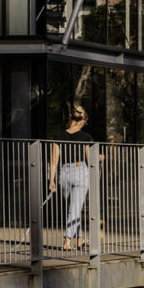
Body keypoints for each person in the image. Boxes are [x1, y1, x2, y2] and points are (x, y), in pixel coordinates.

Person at [48, 105, 91, 251]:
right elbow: (89, 159)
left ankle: (79, 240)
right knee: (75, 208)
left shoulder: (58, 136)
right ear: (82, 121)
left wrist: (51, 181)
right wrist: (101, 157)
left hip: (64, 174)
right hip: (80, 172)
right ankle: (67, 241)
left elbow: (54, 160)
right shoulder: (86, 137)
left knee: (74, 208)